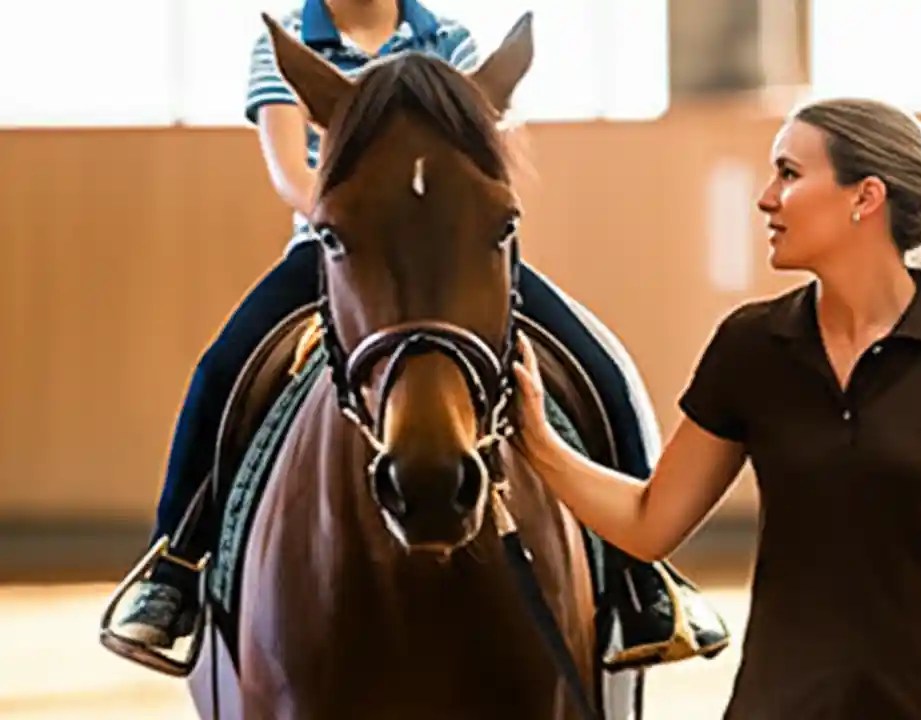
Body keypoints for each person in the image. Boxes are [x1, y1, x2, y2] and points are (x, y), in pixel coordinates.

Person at [111, 0, 728, 668]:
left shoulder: (449, 40)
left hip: (451, 251)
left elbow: (478, 150)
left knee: (599, 362)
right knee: (224, 368)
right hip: (342, 247)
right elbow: (294, 172)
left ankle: (644, 577)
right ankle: (174, 563)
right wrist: (367, 207)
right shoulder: (288, 42)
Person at [511, 97, 921, 719]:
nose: (767, 197)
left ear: (864, 197)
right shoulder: (752, 347)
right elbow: (650, 522)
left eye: (789, 174)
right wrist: (542, 447)